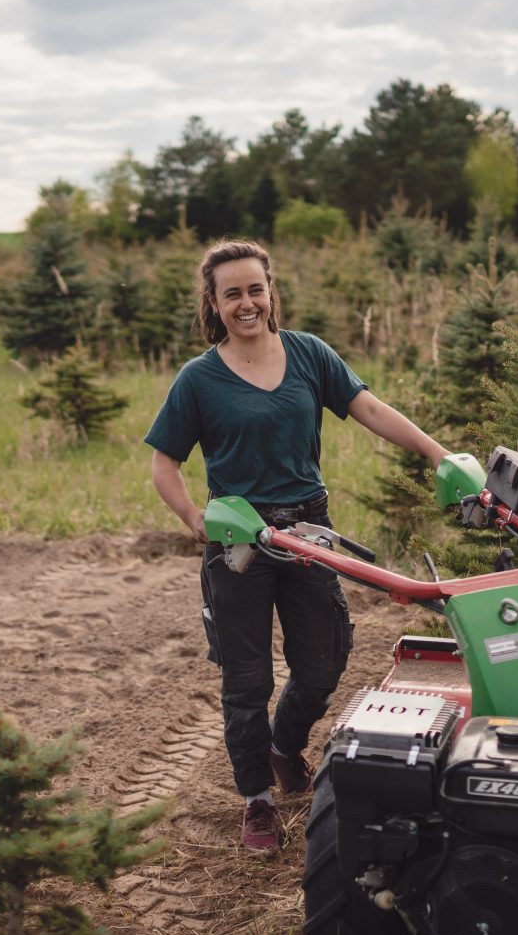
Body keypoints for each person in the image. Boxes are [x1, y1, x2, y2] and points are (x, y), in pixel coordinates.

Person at [146, 238, 449, 852]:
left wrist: (438, 454)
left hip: (310, 531)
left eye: (255, 289)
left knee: (323, 661)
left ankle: (285, 746)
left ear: (270, 291)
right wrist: (193, 516)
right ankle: (256, 799)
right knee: (247, 678)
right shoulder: (198, 379)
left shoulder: (309, 354)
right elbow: (165, 465)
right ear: (214, 302)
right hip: (241, 541)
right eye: (232, 293)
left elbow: (368, 407)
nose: (247, 302)